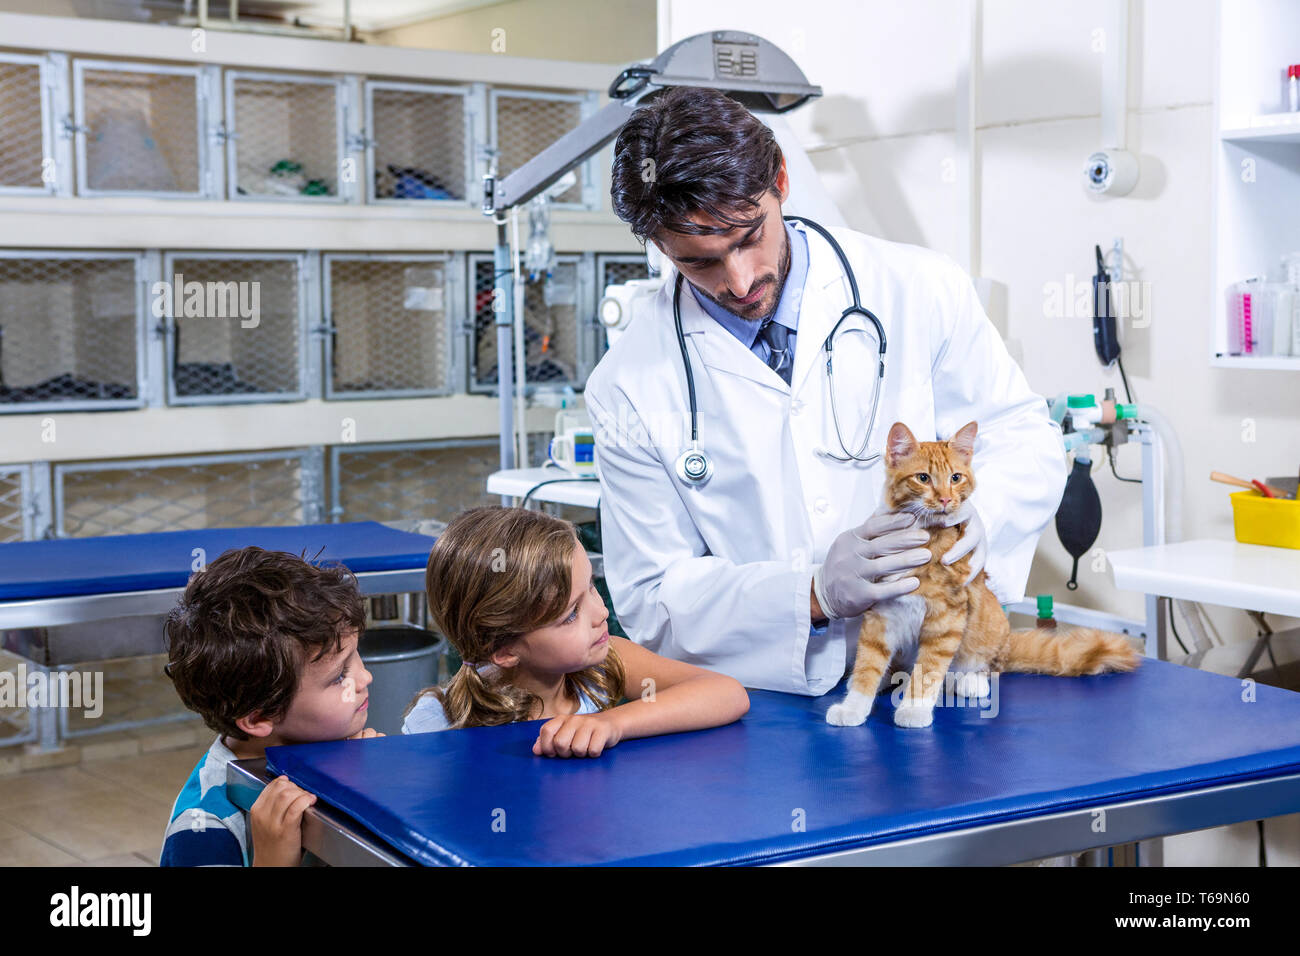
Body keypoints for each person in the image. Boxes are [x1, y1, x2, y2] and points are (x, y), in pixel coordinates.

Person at [585, 86, 1067, 696]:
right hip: (757, 706)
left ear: (781, 179)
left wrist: (982, 514)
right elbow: (653, 599)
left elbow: (1024, 436)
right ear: (659, 246)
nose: (738, 282)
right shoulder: (628, 383)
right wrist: (811, 594)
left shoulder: (919, 288)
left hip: (931, 672)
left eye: (747, 237)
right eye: (699, 262)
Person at [402, 506, 749, 757]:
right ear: (505, 650)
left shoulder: (607, 662)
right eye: (571, 614)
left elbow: (726, 693)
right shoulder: (438, 721)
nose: (601, 613)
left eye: (593, 588)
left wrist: (613, 724)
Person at [160, 547, 382, 866]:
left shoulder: (327, 748)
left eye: (356, 656)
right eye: (339, 677)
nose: (365, 677)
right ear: (260, 716)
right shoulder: (203, 831)